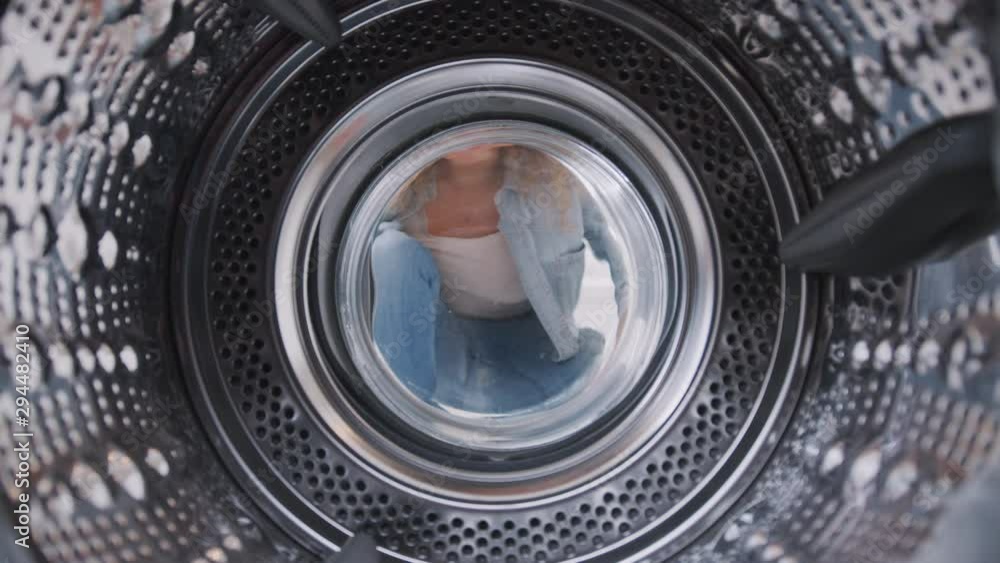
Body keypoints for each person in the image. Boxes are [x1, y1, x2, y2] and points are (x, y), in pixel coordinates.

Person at [371, 143, 628, 412]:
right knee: (389, 248)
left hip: (542, 344)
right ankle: (401, 411)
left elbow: (623, 246)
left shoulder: (557, 186)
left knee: (584, 420)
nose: (467, 135)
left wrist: (632, 328)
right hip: (446, 348)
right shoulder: (401, 198)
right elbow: (350, 258)